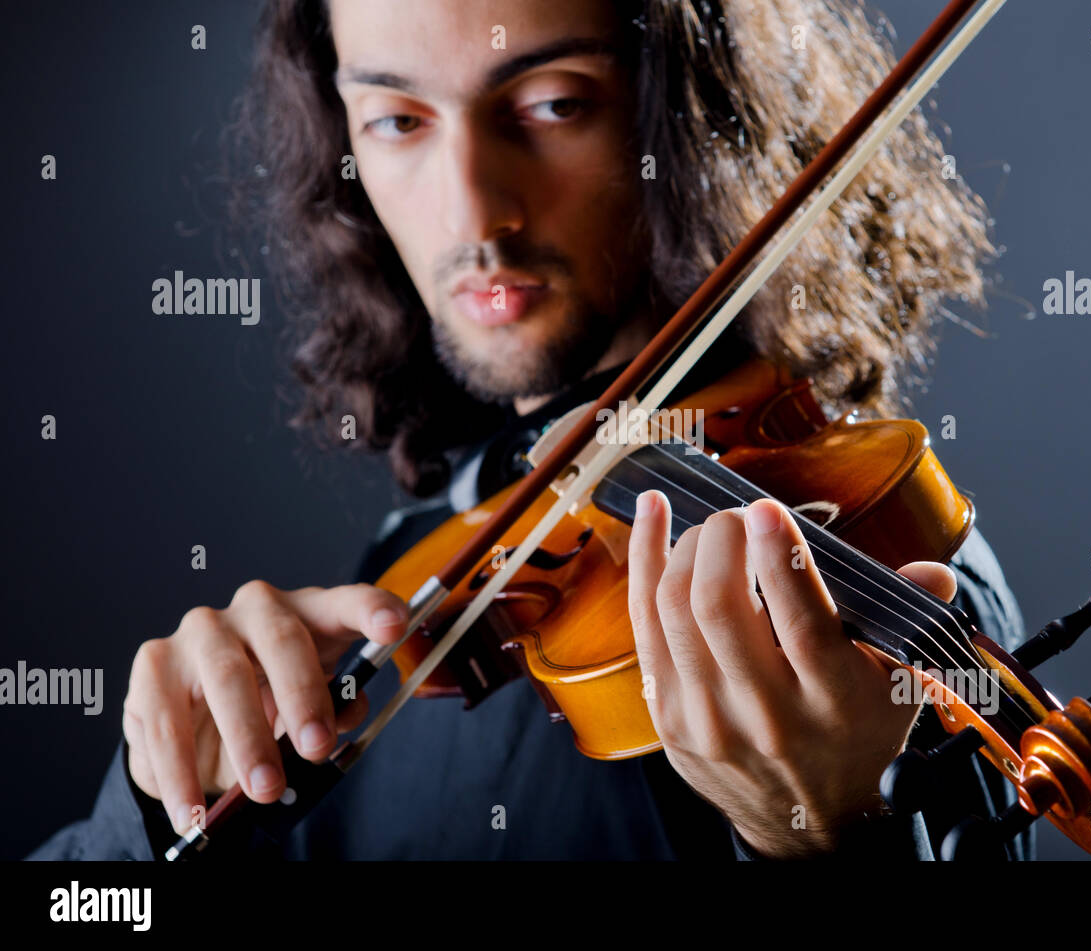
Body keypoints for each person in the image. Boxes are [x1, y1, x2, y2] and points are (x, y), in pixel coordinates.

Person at [29, 0, 1029, 861]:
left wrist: (829, 838)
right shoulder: (411, 582)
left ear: (691, 111)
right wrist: (160, 817)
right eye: (395, 119)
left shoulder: (871, 563)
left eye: (553, 104)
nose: (473, 208)